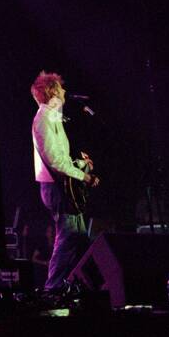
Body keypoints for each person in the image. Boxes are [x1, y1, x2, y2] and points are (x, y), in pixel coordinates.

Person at [30, 71, 99, 295]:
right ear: (52, 91)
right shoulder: (42, 120)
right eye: (60, 87)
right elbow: (55, 161)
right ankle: (52, 288)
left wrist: (80, 163)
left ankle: (79, 285)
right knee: (69, 235)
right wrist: (84, 175)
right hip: (55, 188)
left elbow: (63, 158)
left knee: (79, 238)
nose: (65, 91)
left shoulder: (53, 118)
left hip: (62, 186)